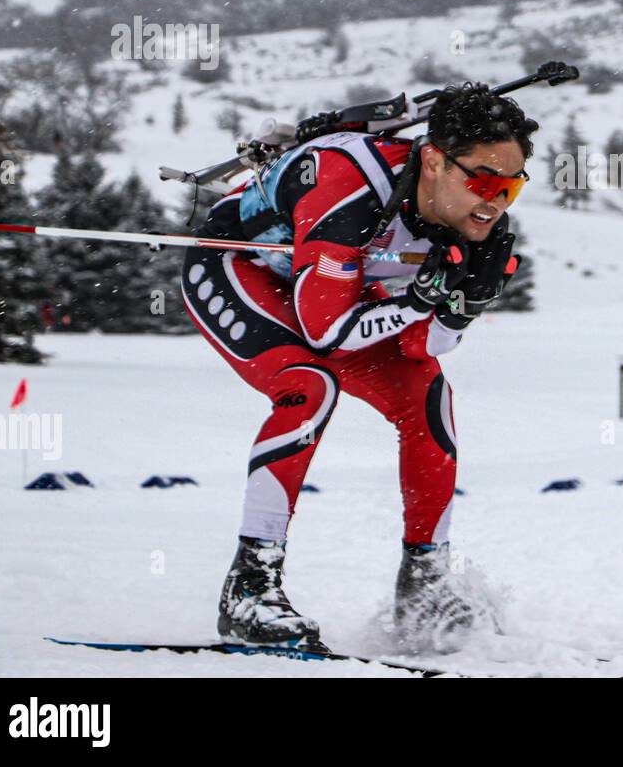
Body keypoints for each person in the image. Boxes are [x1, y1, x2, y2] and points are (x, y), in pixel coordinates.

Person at [180, 82, 535, 651]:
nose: (494, 201)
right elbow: (325, 332)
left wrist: (462, 308)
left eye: (511, 187)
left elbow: (423, 349)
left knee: (429, 398)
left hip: (337, 294)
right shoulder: (351, 190)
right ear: (436, 162)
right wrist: (418, 300)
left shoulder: (468, 217)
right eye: (484, 182)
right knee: (309, 386)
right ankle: (249, 588)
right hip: (240, 270)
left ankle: (425, 584)